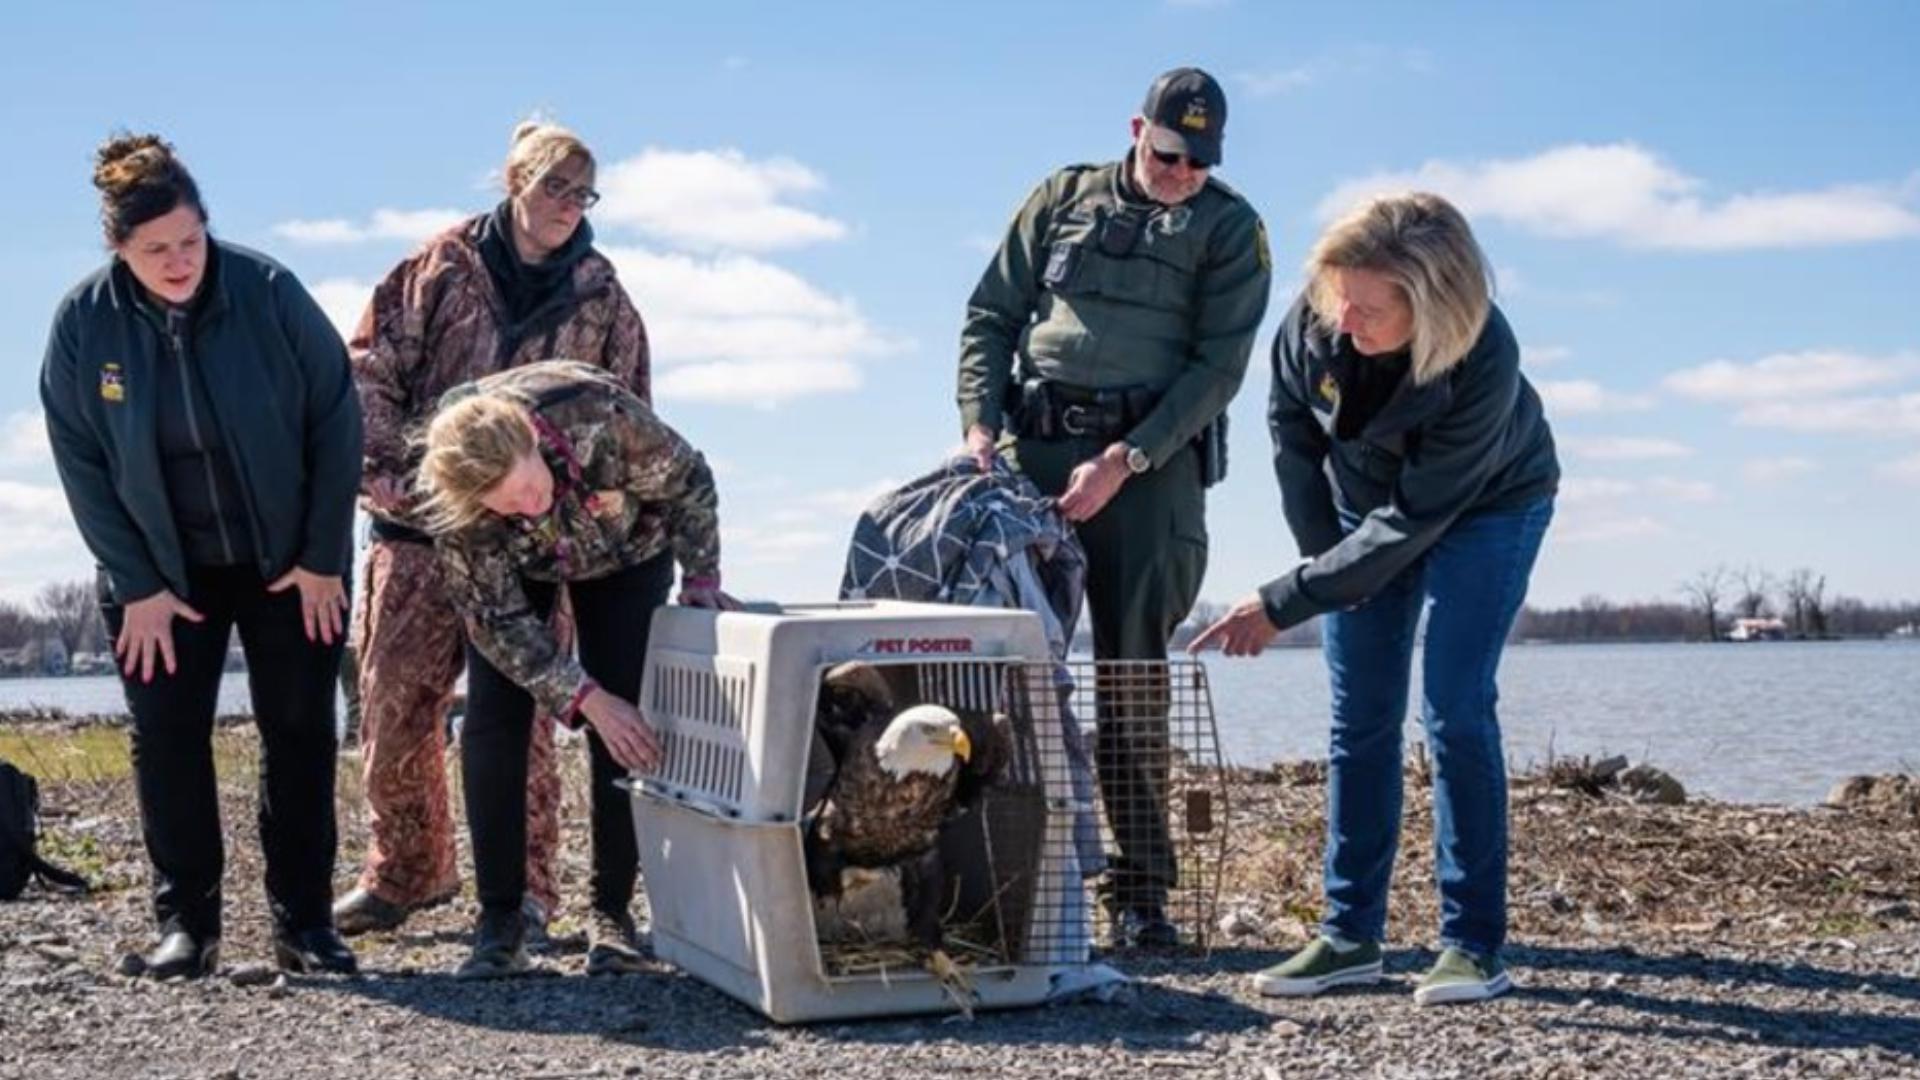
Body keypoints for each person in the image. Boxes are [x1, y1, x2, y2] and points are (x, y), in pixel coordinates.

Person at [1191, 192, 1559, 1006]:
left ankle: (1472, 945)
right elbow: (1291, 432)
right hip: (1365, 512)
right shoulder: (1322, 315)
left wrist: (1286, 601)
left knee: (1454, 709)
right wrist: (1324, 566)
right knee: (1359, 719)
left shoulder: (1483, 355)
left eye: (1370, 309)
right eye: (1339, 300)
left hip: (1488, 505)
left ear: (1431, 306)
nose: (1345, 320)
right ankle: (1349, 935)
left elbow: (1419, 516)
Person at [957, 67, 1271, 946]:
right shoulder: (1062, 196)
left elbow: (1218, 370)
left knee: (1132, 683)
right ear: (1138, 130)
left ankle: (1140, 895)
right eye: (1169, 155)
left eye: (1199, 163)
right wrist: (980, 424)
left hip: (1149, 468)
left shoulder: (1231, 228)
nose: (1181, 175)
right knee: (1004, 670)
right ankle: (1002, 879)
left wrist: (1126, 460)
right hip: (1036, 456)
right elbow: (990, 314)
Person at [40, 134, 362, 978]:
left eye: (191, 240)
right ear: (119, 248)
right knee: (168, 735)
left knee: (298, 730)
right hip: (161, 579)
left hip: (288, 562)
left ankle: (305, 925)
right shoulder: (84, 323)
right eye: (156, 250)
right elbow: (79, 459)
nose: (179, 261)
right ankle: (188, 925)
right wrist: (135, 582)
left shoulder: (268, 292)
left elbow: (336, 417)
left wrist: (324, 554)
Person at [337, 119, 650, 938]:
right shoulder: (439, 268)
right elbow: (368, 374)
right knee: (394, 702)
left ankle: (526, 893)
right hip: (419, 530)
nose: (568, 205)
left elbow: (628, 418)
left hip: (528, 544)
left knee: (522, 718)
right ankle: (406, 874)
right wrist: (402, 483)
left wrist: (580, 522)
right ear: (515, 178)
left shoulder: (601, 296)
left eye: (584, 193)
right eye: (555, 186)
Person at [413, 360, 734, 978]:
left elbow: (691, 479)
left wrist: (701, 577)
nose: (530, 506)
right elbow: (497, 623)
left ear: (532, 441)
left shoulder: (598, 419)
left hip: (625, 552)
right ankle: (500, 922)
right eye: (508, 505)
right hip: (522, 574)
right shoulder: (460, 509)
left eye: (529, 488)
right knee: (491, 720)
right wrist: (582, 696)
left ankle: (610, 916)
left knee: (627, 722)